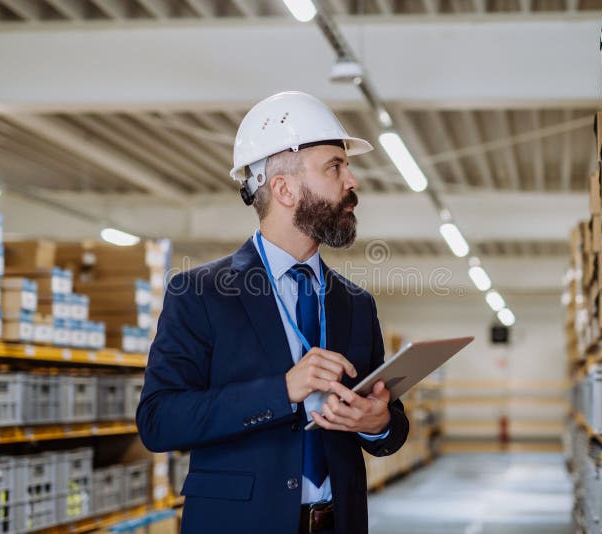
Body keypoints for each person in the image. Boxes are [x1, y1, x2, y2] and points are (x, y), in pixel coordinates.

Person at [136, 91, 409, 534]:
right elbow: (158, 421)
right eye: (335, 167)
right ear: (283, 188)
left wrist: (378, 424)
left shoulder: (357, 305)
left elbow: (392, 428)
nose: (352, 180)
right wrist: (281, 391)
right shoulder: (200, 293)